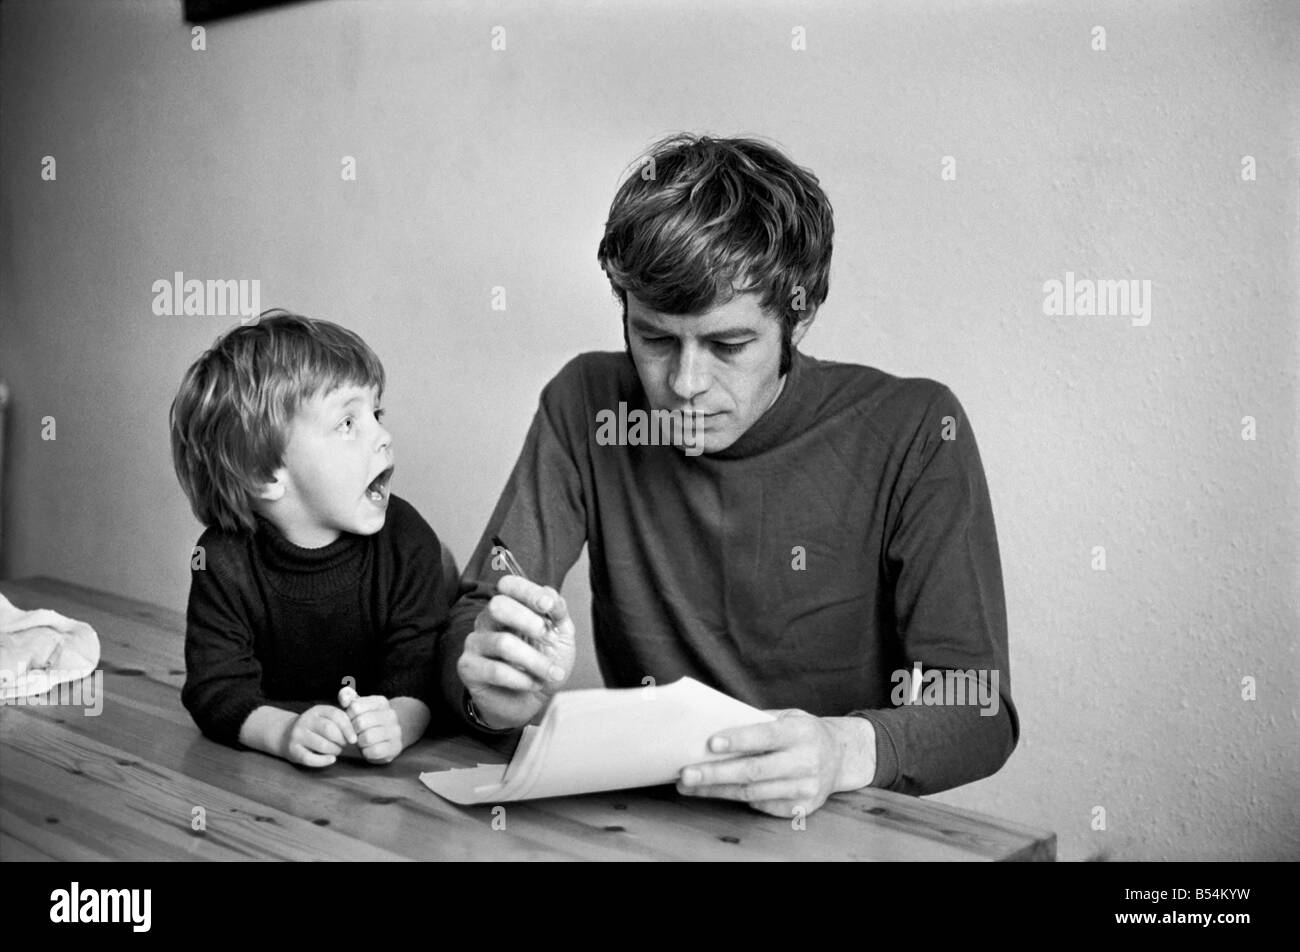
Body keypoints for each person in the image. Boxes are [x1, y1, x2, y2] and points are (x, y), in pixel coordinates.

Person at [440, 135, 1018, 816]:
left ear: (799, 316)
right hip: (646, 825)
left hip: (832, 826)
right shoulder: (587, 404)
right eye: (655, 338)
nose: (685, 383)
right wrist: (490, 694)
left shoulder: (914, 428)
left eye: (728, 344)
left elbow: (979, 708)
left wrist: (842, 750)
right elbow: (475, 617)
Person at [170, 311, 455, 768]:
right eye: (348, 422)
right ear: (264, 474)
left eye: (376, 413)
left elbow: (419, 674)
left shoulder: (409, 542)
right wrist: (283, 733)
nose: (383, 435)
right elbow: (215, 689)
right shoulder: (221, 561)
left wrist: (397, 725)